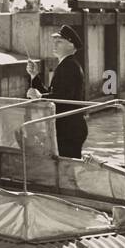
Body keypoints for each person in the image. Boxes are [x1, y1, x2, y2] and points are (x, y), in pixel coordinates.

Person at [46, 24, 88, 158]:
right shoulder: (66, 64)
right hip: (68, 127)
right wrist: (34, 77)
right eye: (54, 41)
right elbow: (54, 93)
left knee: (67, 168)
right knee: (66, 167)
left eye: (59, 41)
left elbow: (64, 96)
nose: (55, 44)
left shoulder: (69, 66)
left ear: (71, 45)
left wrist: (40, 96)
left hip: (69, 129)